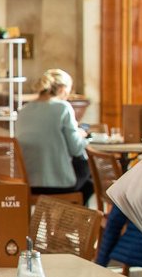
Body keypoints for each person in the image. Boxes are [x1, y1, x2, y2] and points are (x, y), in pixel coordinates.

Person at [15, 69, 93, 204]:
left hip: (27, 182)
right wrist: (83, 136)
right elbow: (76, 149)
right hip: (58, 184)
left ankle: (53, 215)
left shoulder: (24, 110)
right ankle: (68, 217)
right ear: (62, 88)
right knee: (89, 182)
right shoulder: (63, 108)